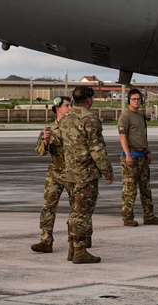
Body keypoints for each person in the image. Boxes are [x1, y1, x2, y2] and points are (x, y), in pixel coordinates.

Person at [59, 85, 114, 264]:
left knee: (74, 211)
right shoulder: (90, 119)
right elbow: (96, 149)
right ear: (89, 99)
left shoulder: (65, 119)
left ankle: (72, 248)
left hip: (70, 173)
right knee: (82, 214)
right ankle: (80, 251)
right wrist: (107, 171)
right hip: (86, 173)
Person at [118, 88, 158, 226]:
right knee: (130, 189)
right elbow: (122, 136)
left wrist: (148, 152)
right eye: (134, 99)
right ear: (129, 100)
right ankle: (127, 217)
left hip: (142, 156)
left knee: (145, 188)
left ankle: (149, 215)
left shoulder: (140, 116)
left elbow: (143, 136)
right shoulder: (125, 116)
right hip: (131, 156)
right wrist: (127, 154)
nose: (136, 101)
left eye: (138, 99)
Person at [31, 96, 72, 254]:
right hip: (55, 173)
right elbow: (39, 152)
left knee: (77, 208)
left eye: (70, 105)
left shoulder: (75, 128)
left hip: (72, 174)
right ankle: (46, 240)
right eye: (67, 106)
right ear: (58, 109)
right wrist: (46, 142)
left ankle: (77, 239)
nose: (70, 109)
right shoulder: (48, 130)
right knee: (48, 207)